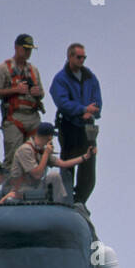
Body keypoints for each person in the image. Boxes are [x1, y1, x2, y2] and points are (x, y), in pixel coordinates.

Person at [49, 42, 101, 206]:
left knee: (88, 164)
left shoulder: (90, 77)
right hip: (70, 126)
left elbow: (97, 101)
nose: (82, 60)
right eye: (78, 57)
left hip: (87, 128)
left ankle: (80, 200)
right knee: (68, 161)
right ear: (70, 56)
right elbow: (62, 101)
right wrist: (82, 109)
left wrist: (92, 111)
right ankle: (66, 199)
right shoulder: (61, 78)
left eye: (84, 57)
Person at [0, 122, 93, 205]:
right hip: (22, 188)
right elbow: (37, 174)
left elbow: (63, 164)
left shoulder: (41, 151)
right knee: (48, 177)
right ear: (49, 137)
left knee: (54, 176)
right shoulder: (25, 150)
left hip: (35, 187)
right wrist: (46, 154)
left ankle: (60, 207)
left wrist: (85, 157)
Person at [0, 33, 46, 169]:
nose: (28, 52)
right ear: (16, 47)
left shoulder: (33, 70)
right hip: (14, 116)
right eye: (25, 49)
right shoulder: (3, 68)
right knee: (13, 157)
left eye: (30, 49)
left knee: (37, 154)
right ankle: (11, 187)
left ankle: (33, 188)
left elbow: (42, 93)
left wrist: (37, 93)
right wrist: (15, 90)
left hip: (32, 116)